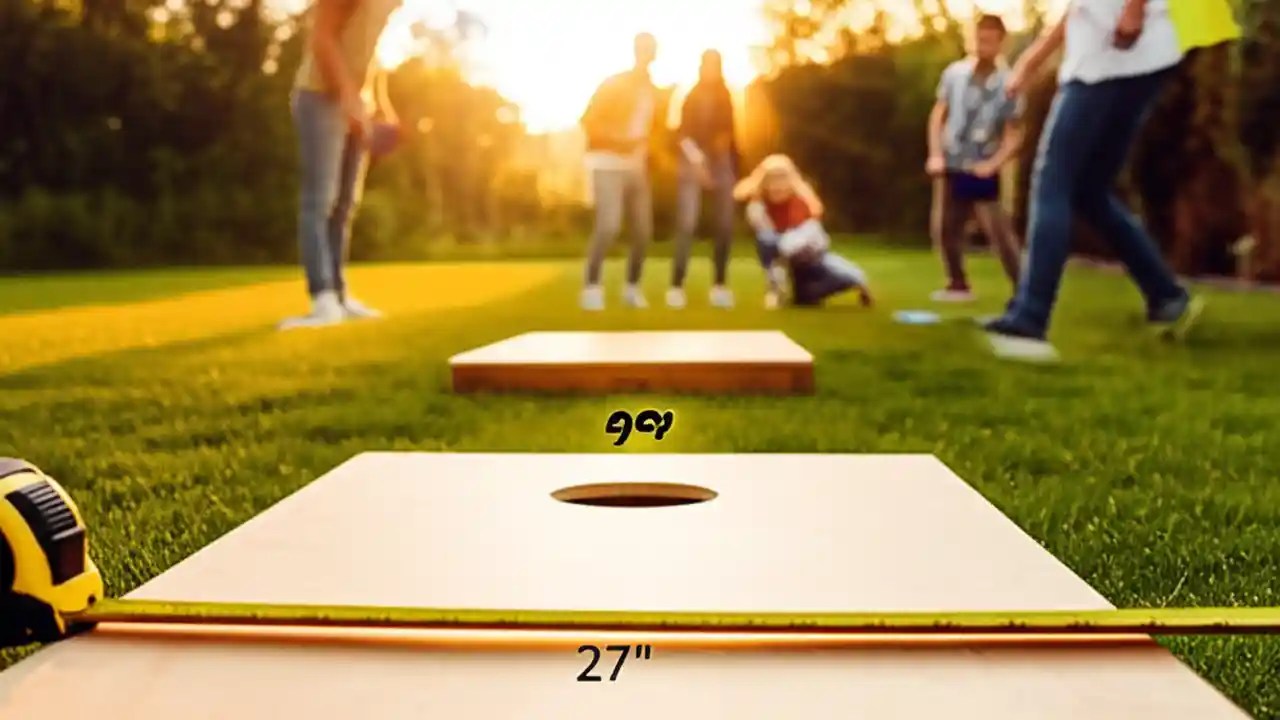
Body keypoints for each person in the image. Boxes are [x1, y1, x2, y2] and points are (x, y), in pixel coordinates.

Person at [983, 0, 1202, 362]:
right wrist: (1030, 62)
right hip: (1136, 55)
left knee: (1052, 179)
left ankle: (1030, 315)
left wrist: (1133, 10)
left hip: (1111, 55)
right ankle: (1166, 295)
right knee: (1088, 191)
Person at [281, 0, 402, 330]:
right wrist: (349, 97)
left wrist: (379, 103)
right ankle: (322, 298)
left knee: (346, 203)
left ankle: (339, 295)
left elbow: (369, 49)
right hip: (319, 97)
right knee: (320, 201)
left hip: (357, 100)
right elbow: (322, 37)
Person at [926, 13, 1024, 304]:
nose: (982, 45)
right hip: (952, 161)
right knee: (945, 228)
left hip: (984, 165)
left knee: (999, 232)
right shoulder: (954, 74)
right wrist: (935, 154)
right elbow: (937, 116)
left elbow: (1014, 133)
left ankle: (1025, 290)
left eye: (989, 40)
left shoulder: (1009, 83)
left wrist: (994, 164)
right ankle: (957, 284)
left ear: (1001, 43)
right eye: (978, 39)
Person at [579, 33, 664, 311]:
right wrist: (621, 142)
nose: (648, 53)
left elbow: (654, 131)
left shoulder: (653, 89)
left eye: (652, 49)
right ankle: (591, 286)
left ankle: (632, 288)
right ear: (635, 50)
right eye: (644, 48)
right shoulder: (614, 83)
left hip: (637, 167)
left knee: (642, 231)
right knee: (609, 225)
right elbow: (588, 121)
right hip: (606, 163)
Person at [735, 155, 873, 308]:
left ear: (790, 182)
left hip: (814, 259)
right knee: (803, 297)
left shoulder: (800, 204)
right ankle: (774, 289)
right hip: (796, 267)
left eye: (781, 180)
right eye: (772, 181)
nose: (777, 186)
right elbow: (767, 238)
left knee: (842, 278)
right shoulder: (759, 207)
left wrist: (781, 250)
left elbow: (794, 244)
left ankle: (856, 280)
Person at [667, 50, 739, 310]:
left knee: (724, 226)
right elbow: (682, 134)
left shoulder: (726, 95)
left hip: (721, 163)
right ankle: (676, 286)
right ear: (700, 67)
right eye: (707, 65)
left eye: (716, 65)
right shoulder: (690, 96)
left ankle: (719, 285)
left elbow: (729, 133)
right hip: (691, 159)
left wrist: (722, 161)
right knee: (686, 223)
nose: (712, 69)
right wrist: (699, 164)